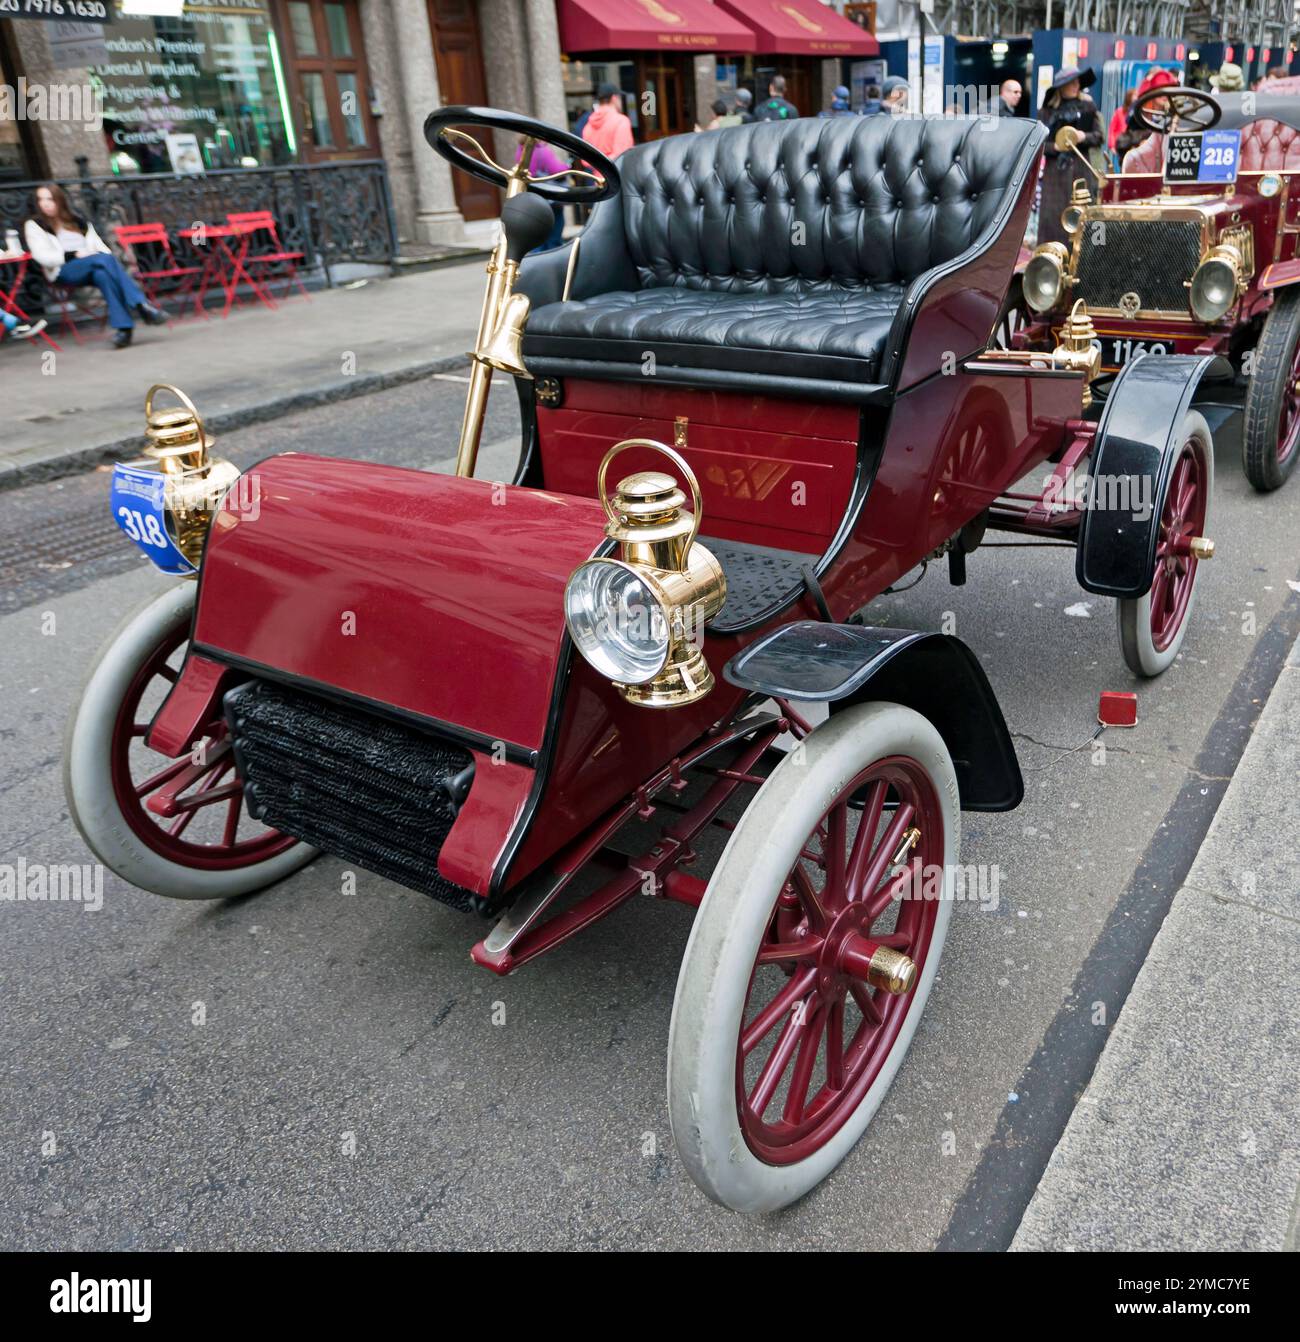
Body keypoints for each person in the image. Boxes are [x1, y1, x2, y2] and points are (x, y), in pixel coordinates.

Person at [23, 183, 164, 349]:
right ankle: (140, 304)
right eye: (41, 199)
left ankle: (124, 329)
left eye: (50, 199)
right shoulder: (35, 225)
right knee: (103, 260)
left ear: (59, 200)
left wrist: (97, 255)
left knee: (103, 272)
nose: (45, 203)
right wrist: (74, 254)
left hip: (93, 266)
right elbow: (42, 257)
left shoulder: (78, 221)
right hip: (63, 270)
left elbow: (100, 247)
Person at [1038, 67, 1104, 248]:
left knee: (1083, 215)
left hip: (1081, 171)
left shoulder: (1088, 107)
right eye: (1072, 82)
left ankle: (1083, 258)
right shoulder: (1047, 111)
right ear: (1062, 86)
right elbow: (1038, 144)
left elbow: (1099, 136)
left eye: (1078, 81)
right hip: (1055, 176)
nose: (1076, 85)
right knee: (1054, 217)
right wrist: (1055, 147)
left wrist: (1083, 136)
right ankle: (1050, 258)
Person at [581, 83, 634, 160]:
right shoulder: (621, 121)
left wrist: (599, 164)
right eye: (619, 98)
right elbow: (622, 155)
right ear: (614, 98)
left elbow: (585, 160)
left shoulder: (588, 125)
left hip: (595, 172)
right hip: (618, 171)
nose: (620, 102)